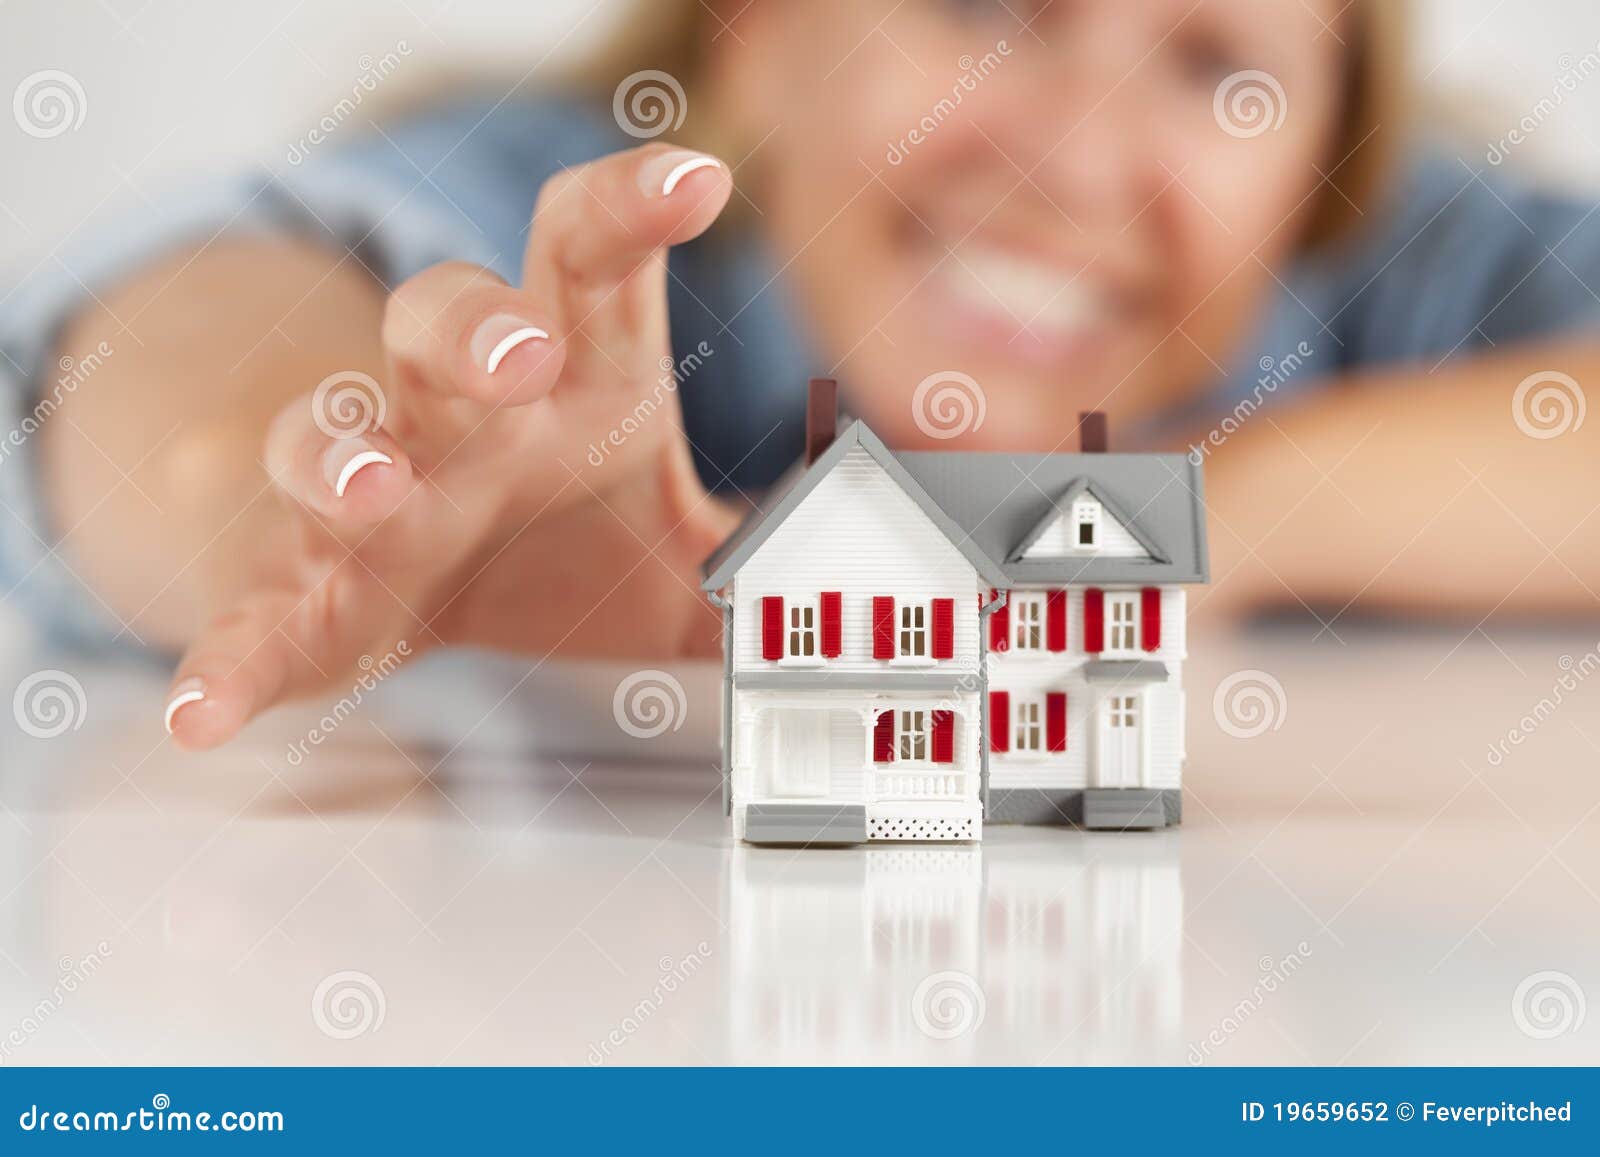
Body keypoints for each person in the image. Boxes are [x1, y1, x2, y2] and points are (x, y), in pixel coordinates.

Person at [3, 0, 1597, 751]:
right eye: (989, 7)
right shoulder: (594, 199)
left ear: (1328, 161)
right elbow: (193, 332)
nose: (1080, 156)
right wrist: (354, 511)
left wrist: (1185, 515)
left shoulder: (1408, 256)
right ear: (752, 36)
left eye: (1218, 66)